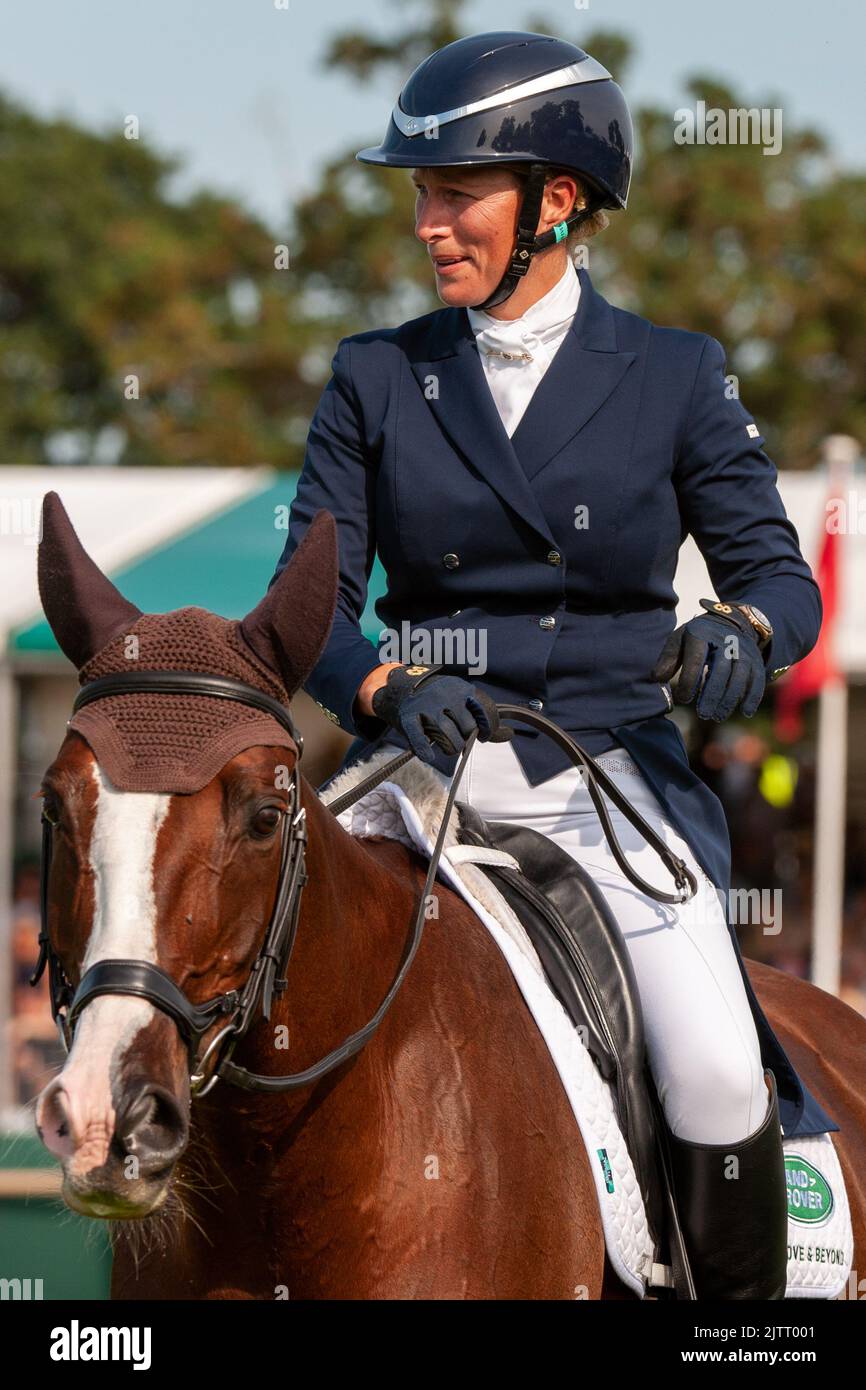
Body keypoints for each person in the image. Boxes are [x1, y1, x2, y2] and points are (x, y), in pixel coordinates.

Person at [269, 30, 838, 1299]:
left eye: (451, 193)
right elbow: (305, 606)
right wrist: (385, 688)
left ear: (555, 202)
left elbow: (778, 578)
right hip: (414, 778)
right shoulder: (375, 376)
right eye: (417, 194)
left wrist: (740, 637)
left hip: (604, 774)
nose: (425, 224)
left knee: (711, 1064)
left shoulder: (676, 374)